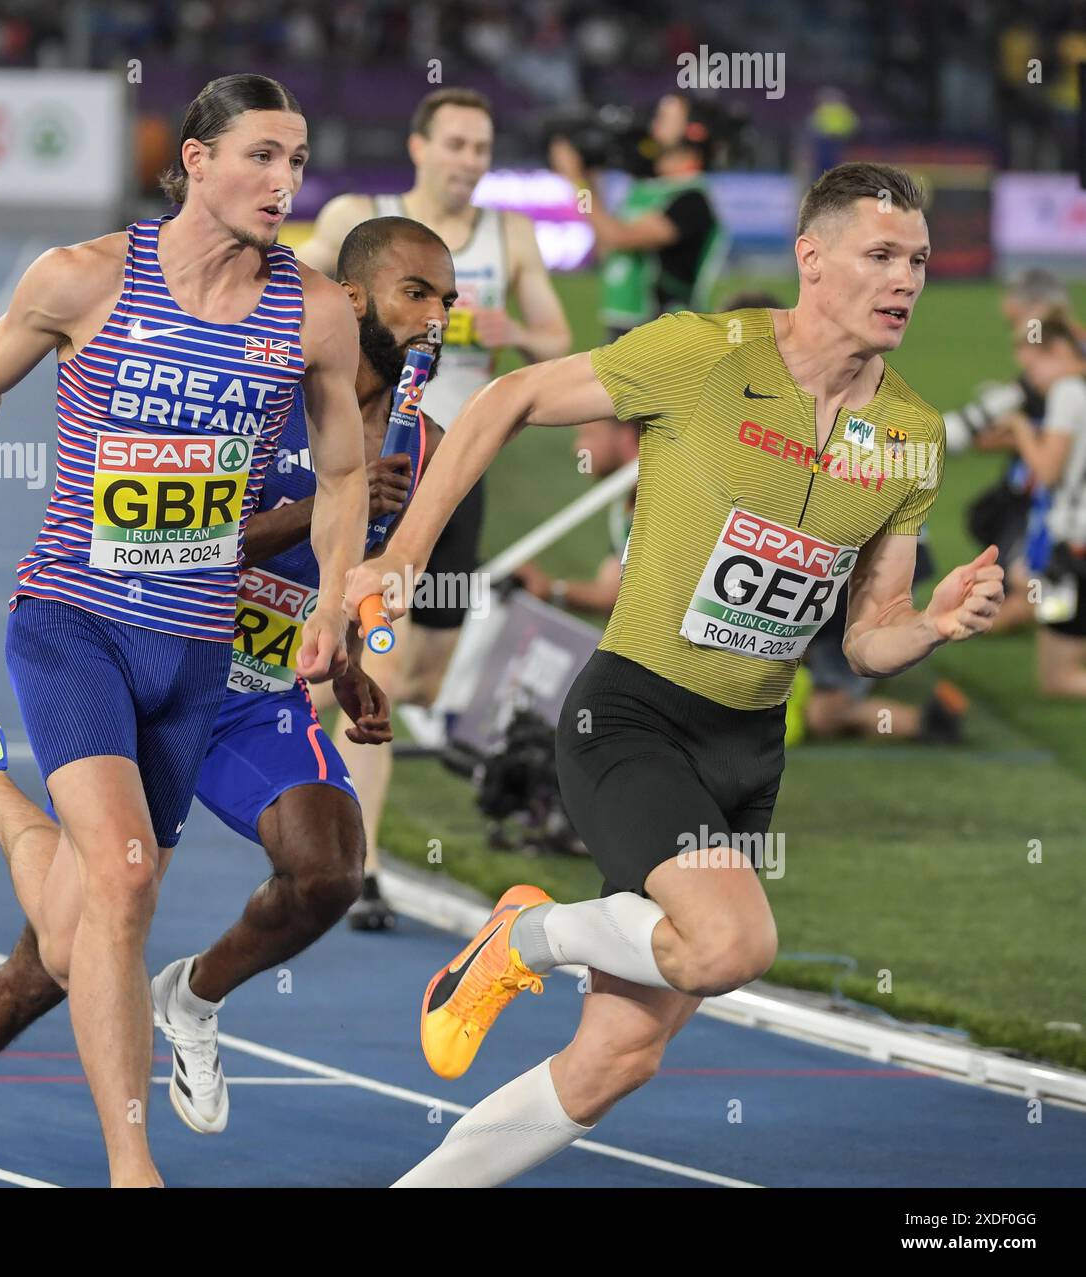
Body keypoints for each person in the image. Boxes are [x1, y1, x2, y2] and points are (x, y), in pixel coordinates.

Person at [345, 162, 1005, 1188]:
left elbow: (869, 632)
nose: (905, 280)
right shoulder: (703, 354)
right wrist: (404, 553)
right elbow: (510, 395)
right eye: (880, 255)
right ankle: (527, 935)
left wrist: (933, 624)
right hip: (634, 716)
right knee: (733, 941)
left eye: (916, 260)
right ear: (811, 258)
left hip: (746, 750)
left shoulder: (911, 435)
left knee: (618, 1056)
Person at [0, 216, 456, 1188]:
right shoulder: (264, 390)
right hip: (146, 642)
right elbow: (182, 543)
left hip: (253, 694)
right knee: (68, 944)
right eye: (417, 293)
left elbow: (362, 588)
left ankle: (194, 994)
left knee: (328, 868)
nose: (437, 317)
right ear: (350, 302)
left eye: (448, 300)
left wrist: (349, 656)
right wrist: (315, 508)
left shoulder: (422, 443)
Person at [299, 87, 572, 930]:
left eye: (482, 147)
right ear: (418, 148)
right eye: (454, 143)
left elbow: (558, 343)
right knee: (376, 661)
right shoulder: (361, 215)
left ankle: (266, 708)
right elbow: (287, 288)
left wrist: (506, 330)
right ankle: (366, 868)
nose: (468, 160)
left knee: (423, 674)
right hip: (372, 454)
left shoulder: (507, 236)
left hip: (458, 465)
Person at [549, 94, 725, 339]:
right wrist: (587, 183)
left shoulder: (692, 200)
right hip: (624, 325)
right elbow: (604, 240)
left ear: (693, 130)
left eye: (665, 118)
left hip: (665, 333)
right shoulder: (644, 190)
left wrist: (577, 181)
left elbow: (617, 236)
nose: (654, 125)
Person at [989, 315, 1086, 696]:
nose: (1030, 380)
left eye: (1032, 366)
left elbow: (1046, 471)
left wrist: (1020, 428)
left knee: (1057, 679)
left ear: (1059, 351)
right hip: (1069, 549)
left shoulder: (1067, 391)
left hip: (1072, 551)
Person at [511, 417, 638, 616]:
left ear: (626, 435)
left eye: (588, 435)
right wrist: (551, 589)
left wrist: (552, 589)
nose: (578, 448)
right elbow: (610, 590)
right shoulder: (623, 503)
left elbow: (625, 598)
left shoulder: (660, 499)